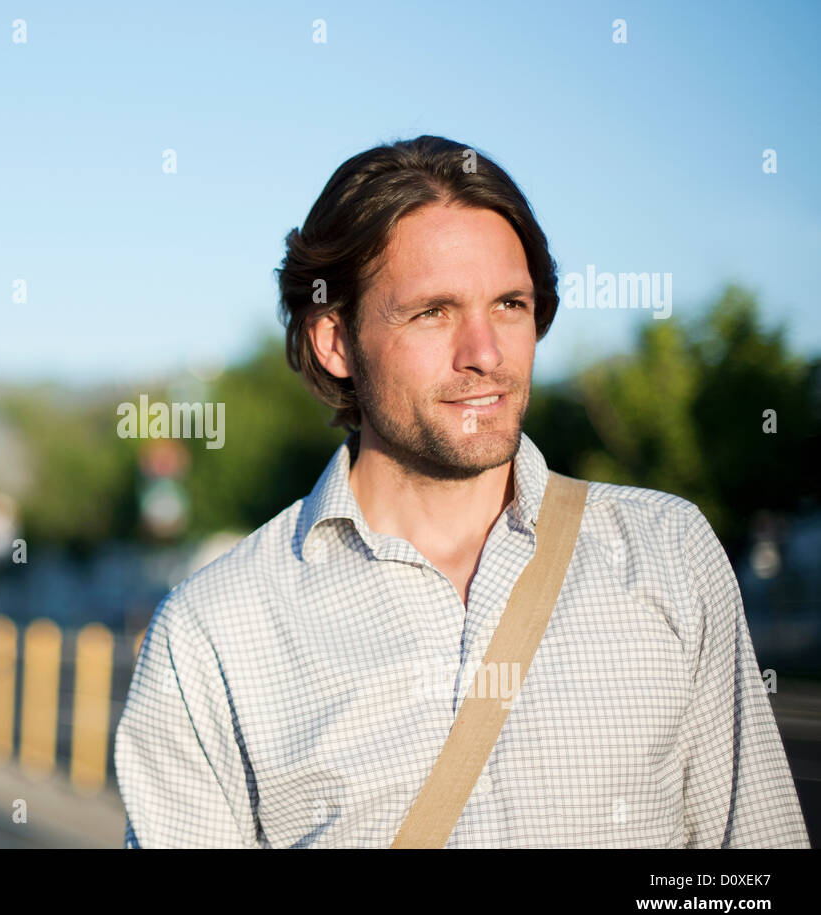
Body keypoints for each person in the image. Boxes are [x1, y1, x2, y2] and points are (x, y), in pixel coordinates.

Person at [112, 135, 811, 848]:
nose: (485, 352)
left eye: (509, 303)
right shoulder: (212, 633)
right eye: (433, 312)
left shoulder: (668, 553)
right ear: (336, 341)